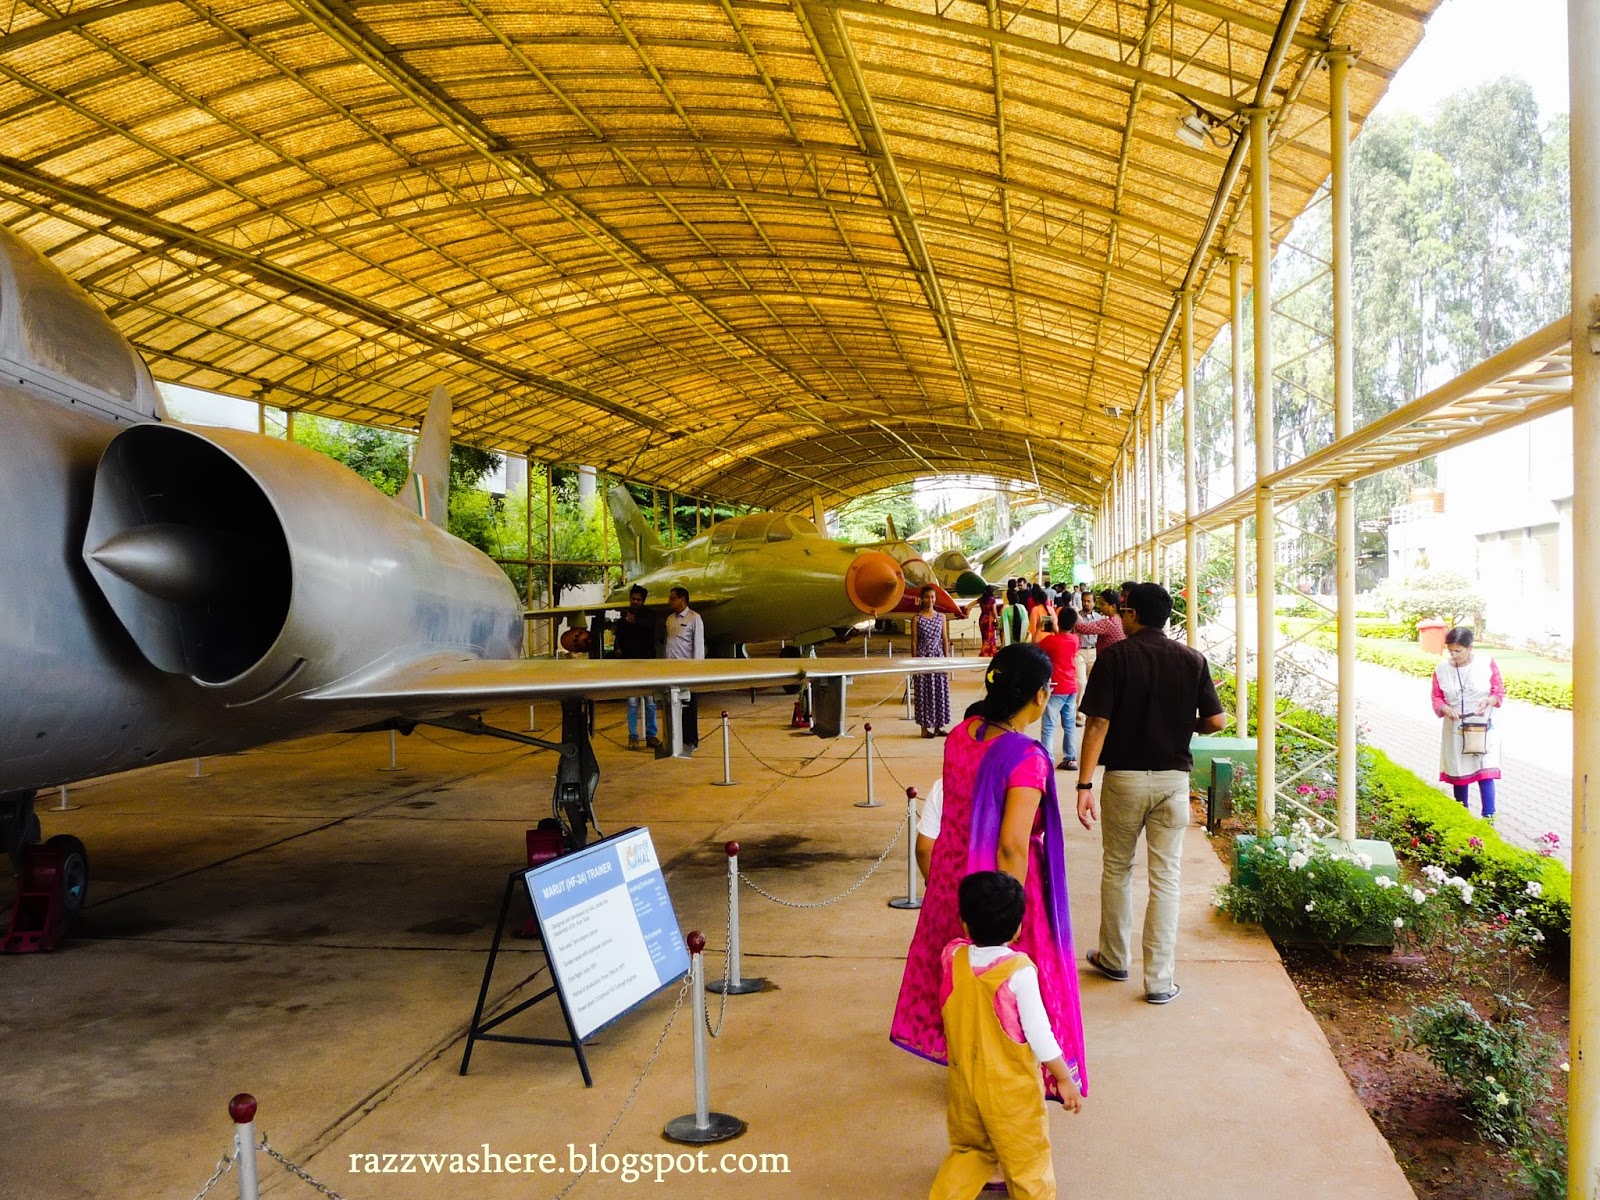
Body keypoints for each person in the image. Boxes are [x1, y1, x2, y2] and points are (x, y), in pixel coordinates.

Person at [891, 643, 1088, 1108]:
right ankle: (1006, 1084)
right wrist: (1012, 914)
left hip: (953, 885)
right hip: (997, 888)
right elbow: (1011, 845)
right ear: (1041, 697)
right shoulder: (1027, 758)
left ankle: (967, 1062)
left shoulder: (962, 735)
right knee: (1008, 990)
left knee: (962, 981)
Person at [1075, 583, 1224, 1005]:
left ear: (1134, 614)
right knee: (1166, 879)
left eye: (1123, 611)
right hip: (1172, 782)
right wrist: (1182, 724)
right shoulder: (1193, 659)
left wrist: (1084, 785)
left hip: (1123, 779)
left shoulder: (1115, 658)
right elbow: (1216, 721)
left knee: (1117, 870)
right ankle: (1159, 981)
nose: (1120, 616)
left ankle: (1114, 958)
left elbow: (1098, 724)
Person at [1431, 626, 1504, 821]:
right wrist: (1446, 709)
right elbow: (1437, 697)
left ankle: (1488, 816)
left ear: (1469, 648)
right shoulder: (1441, 669)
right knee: (1459, 770)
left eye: (1458, 651)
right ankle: (1461, 814)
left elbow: (1498, 691)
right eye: (1451, 651)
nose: (1454, 656)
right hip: (1455, 727)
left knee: (1484, 770)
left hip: (1483, 726)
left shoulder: (1486, 663)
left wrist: (1488, 701)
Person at [612, 585, 660, 750]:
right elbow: (618, 636)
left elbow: (650, 628)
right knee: (632, 702)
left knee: (650, 702)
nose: (635, 602)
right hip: (629, 664)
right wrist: (617, 649)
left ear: (643, 601)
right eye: (633, 599)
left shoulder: (650, 615)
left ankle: (651, 735)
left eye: (638, 600)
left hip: (647, 664)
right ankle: (633, 736)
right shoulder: (624, 616)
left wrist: (636, 622)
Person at [1036, 609, 1080, 771]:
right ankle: (1070, 758)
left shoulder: (1050, 641)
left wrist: (1039, 628)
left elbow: (1035, 646)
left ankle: (1047, 759)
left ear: (1057, 621)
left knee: (1049, 724)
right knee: (1069, 724)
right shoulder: (1075, 640)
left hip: (1055, 687)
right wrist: (1057, 628)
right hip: (1071, 686)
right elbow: (1062, 640)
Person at [664, 586, 704, 750]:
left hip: (687, 668)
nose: (670, 601)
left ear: (682, 599)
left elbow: (698, 646)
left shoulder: (695, 618)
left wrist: (697, 669)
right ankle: (676, 739)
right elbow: (668, 644)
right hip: (671, 669)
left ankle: (691, 740)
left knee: (689, 706)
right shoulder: (670, 620)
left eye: (673, 598)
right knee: (673, 705)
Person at [913, 585, 952, 738]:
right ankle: (924, 728)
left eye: (933, 597)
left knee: (939, 690)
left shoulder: (941, 617)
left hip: (938, 656)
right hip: (923, 656)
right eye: (927, 597)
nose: (930, 600)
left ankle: (938, 726)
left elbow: (944, 639)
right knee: (923, 693)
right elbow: (914, 642)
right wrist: (915, 663)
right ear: (922, 599)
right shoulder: (917, 618)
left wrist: (947, 660)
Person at [1072, 588, 1127, 653]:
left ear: (1113, 606)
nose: (1100, 607)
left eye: (1102, 604)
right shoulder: (1121, 620)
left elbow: (1080, 627)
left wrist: (1075, 613)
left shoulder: (1109, 623)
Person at [977, 585, 1000, 658]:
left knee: (984, 637)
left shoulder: (982, 599)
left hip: (982, 619)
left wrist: (967, 611)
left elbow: (971, 604)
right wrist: (998, 621)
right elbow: (994, 612)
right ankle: (986, 652)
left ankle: (986, 652)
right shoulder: (992, 600)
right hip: (989, 620)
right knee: (989, 638)